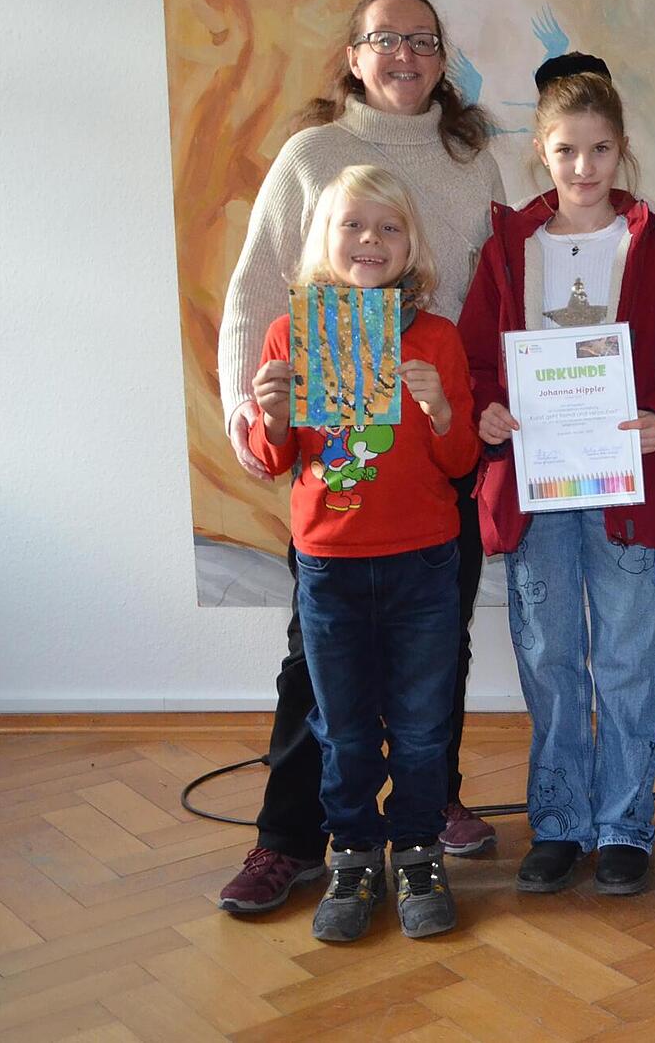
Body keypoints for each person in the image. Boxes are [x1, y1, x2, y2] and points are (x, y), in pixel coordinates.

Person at [215, 0, 504, 915]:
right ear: (354, 55)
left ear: (442, 57)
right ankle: (289, 839)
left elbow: (494, 291)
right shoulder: (314, 155)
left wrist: (480, 409)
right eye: (387, 40)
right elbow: (261, 284)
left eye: (424, 39)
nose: (406, 55)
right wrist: (252, 411)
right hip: (337, 463)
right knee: (318, 666)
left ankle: (428, 809)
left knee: (435, 653)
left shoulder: (471, 159)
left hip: (435, 439)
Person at [457, 57, 655, 897]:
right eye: (567, 150)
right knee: (550, 654)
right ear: (540, 151)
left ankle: (626, 823)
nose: (584, 168)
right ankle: (559, 819)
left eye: (600, 149)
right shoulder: (507, 247)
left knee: (630, 657)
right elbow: (478, 364)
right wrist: (488, 413)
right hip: (537, 486)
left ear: (622, 150)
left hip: (626, 487)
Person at [244, 165, 479, 941]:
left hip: (422, 563)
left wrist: (441, 406)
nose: (370, 240)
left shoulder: (436, 339)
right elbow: (278, 460)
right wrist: (272, 420)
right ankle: (351, 854)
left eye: (388, 227)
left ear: (411, 245)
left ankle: (415, 851)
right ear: (324, 238)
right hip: (329, 565)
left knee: (419, 727)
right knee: (341, 727)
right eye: (353, 225)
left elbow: (460, 461)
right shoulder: (290, 335)